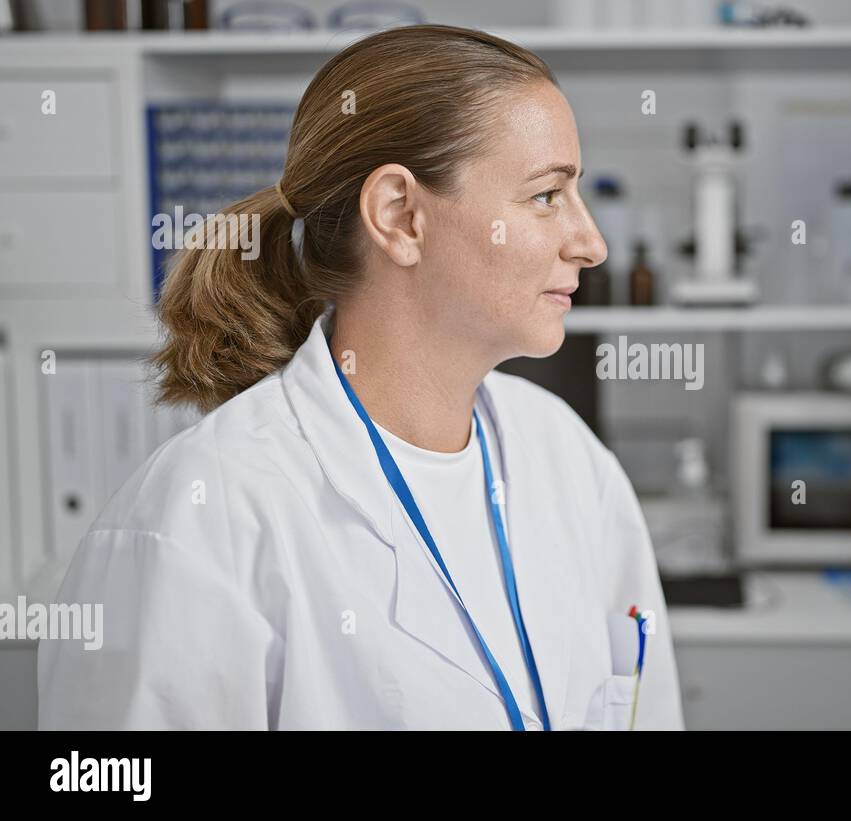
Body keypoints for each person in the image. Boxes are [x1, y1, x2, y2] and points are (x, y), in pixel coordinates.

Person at [37, 24, 684, 731]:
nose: (591, 242)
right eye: (545, 196)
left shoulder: (568, 459)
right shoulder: (205, 515)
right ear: (401, 216)